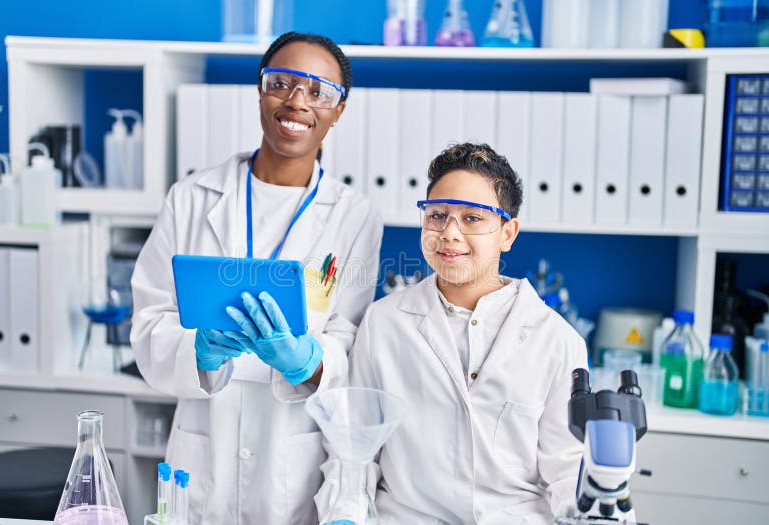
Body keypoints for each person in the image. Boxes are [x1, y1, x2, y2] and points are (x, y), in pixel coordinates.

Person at [131, 32, 383, 524]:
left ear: (338, 110)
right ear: (260, 90)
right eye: (281, 84)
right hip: (204, 447)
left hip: (292, 457)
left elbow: (351, 341)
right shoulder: (191, 197)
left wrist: (308, 361)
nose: (297, 102)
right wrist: (196, 351)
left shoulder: (355, 216)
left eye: (318, 92)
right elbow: (149, 321)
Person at [317, 143, 588, 524]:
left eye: (473, 218)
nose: (449, 233)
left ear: (507, 233)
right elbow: (356, 450)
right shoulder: (384, 322)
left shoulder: (557, 341)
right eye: (438, 215)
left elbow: (567, 470)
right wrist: (344, 512)